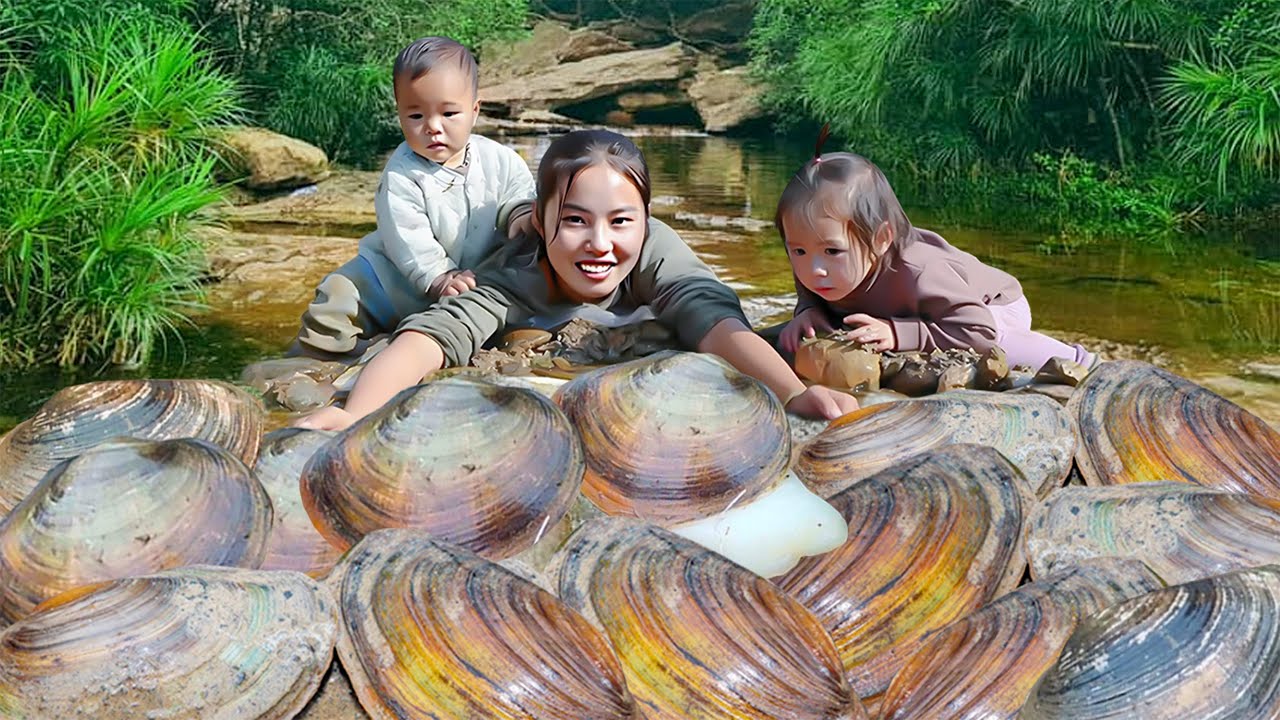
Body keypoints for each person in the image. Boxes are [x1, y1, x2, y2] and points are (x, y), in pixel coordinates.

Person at [295, 129, 859, 431]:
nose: (599, 243)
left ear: (645, 219)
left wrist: (795, 394)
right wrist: (354, 414)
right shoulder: (517, 268)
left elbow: (713, 322)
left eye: (620, 221)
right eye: (573, 221)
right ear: (539, 223)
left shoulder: (656, 249)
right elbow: (431, 338)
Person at [293, 36, 535, 358]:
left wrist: (519, 215)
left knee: (512, 293)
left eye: (449, 114)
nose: (433, 127)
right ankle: (320, 354)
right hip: (392, 280)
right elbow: (407, 236)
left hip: (469, 279)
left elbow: (518, 191)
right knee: (337, 296)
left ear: (474, 111)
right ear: (399, 115)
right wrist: (439, 274)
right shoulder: (401, 174)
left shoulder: (499, 159)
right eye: (416, 116)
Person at [776, 146, 1095, 370]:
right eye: (797, 251)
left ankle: (1084, 364)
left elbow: (977, 331)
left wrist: (899, 333)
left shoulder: (921, 271)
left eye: (833, 251)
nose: (813, 269)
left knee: (995, 346)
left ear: (881, 239)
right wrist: (807, 310)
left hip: (988, 306)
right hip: (920, 311)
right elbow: (809, 281)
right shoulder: (817, 263)